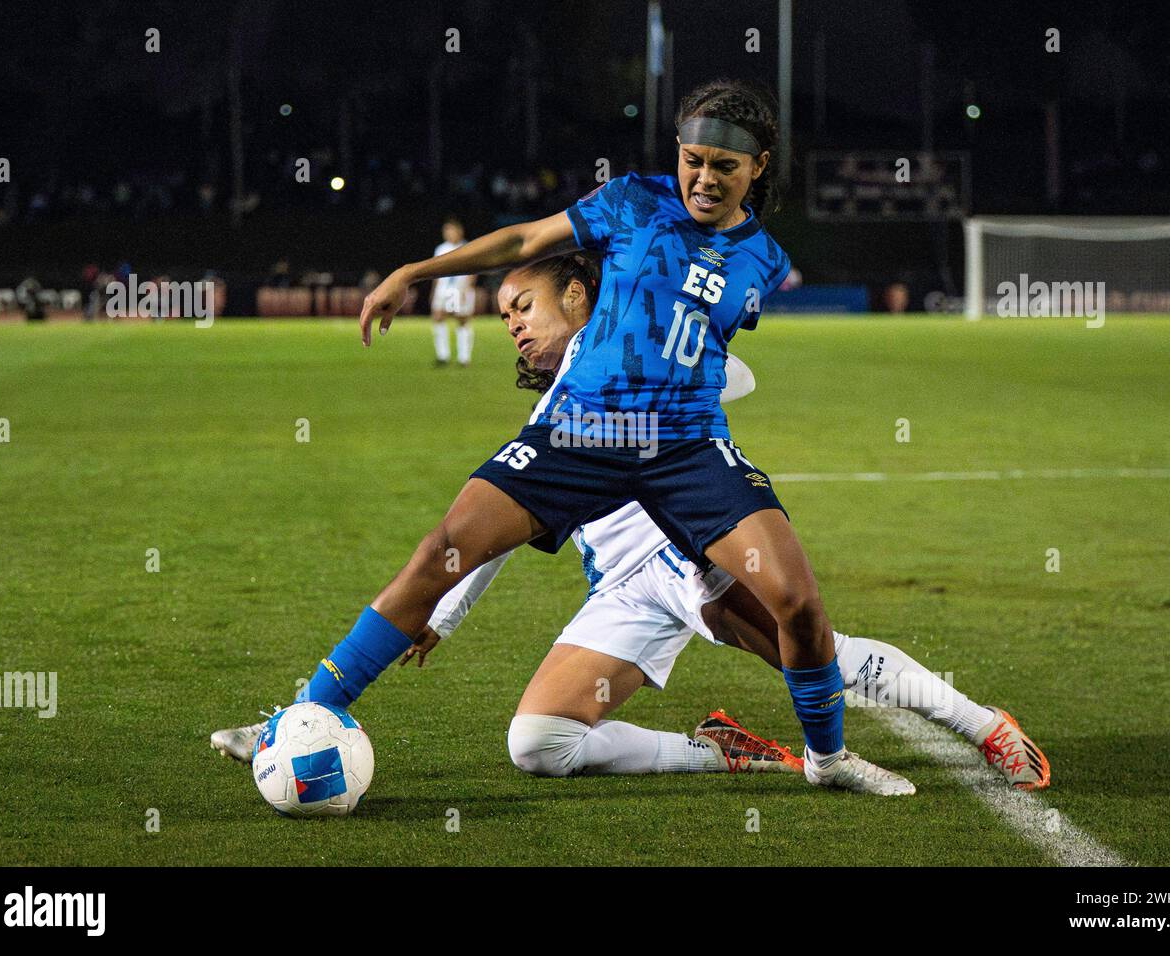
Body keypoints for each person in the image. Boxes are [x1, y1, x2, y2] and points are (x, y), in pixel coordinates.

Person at [212, 254, 1049, 790]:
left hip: (685, 556)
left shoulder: (623, 355)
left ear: (579, 296)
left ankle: (985, 726)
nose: (514, 324)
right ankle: (723, 749)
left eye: (525, 305)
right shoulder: (557, 405)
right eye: (504, 315)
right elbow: (490, 546)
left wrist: (667, 392)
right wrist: (444, 614)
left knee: (812, 648)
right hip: (621, 588)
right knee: (538, 744)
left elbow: (740, 375)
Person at [287, 78, 907, 795]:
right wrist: (415, 272)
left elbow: (708, 347)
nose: (703, 178)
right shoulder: (632, 201)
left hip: (683, 444)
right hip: (583, 431)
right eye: (692, 160)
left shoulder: (763, 259)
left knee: (795, 600)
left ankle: (826, 762)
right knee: (442, 550)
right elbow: (524, 240)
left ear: (758, 167)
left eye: (724, 167)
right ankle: (312, 711)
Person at [430, 217, 478, 367]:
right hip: (444, 289)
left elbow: (473, 271)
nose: (449, 233)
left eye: (451, 230)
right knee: (438, 317)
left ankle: (464, 358)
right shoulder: (440, 249)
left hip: (459, 289)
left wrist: (467, 288)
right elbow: (436, 272)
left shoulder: (467, 247)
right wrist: (434, 290)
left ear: (459, 231)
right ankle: (442, 355)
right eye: (446, 231)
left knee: (462, 320)